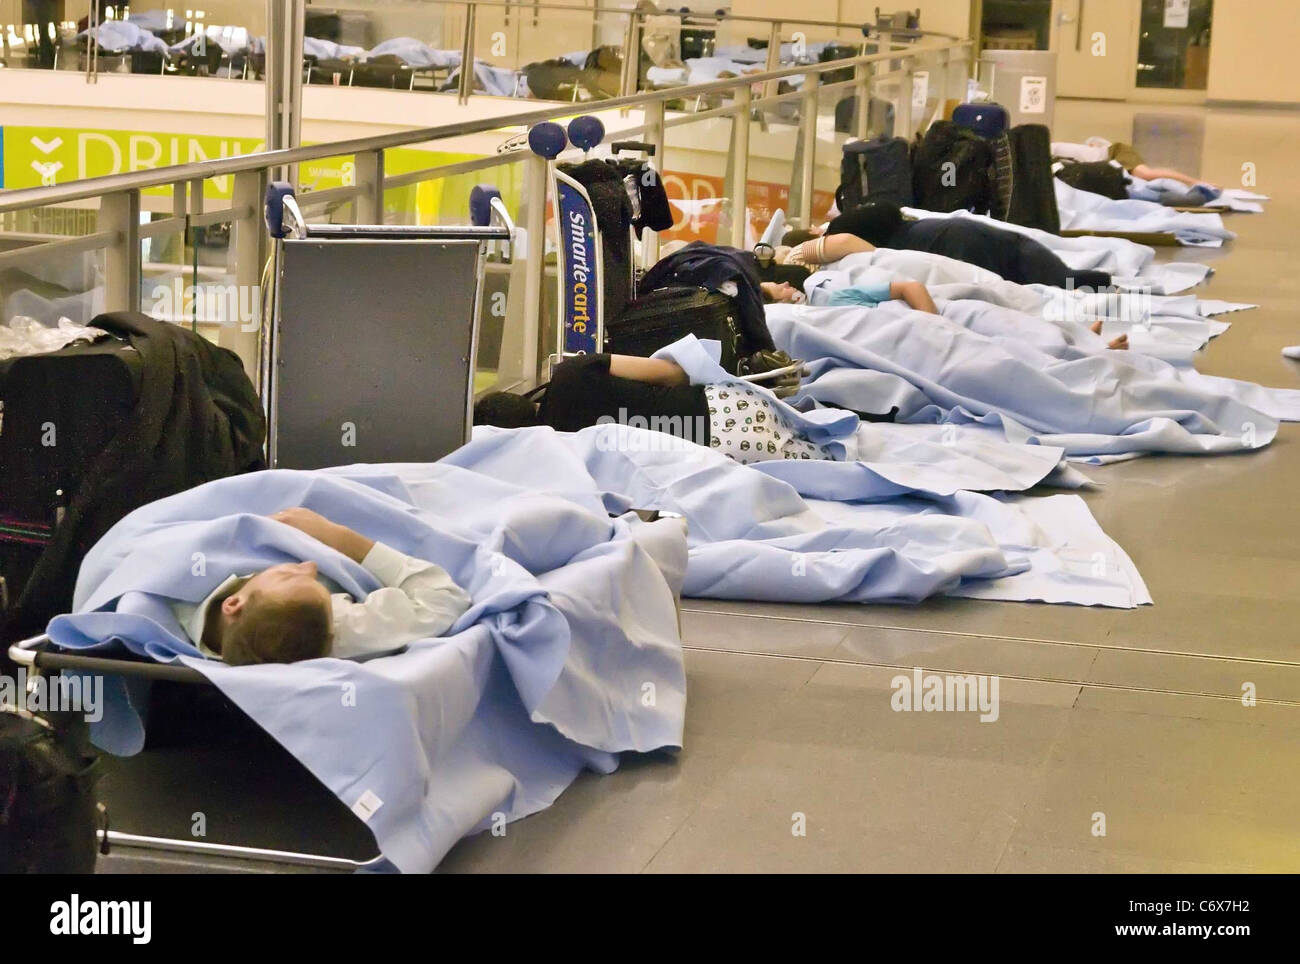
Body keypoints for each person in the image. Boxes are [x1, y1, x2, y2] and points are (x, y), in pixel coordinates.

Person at [171, 507, 472, 666]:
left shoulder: (169, 600)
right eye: (291, 575)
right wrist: (340, 538)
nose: (311, 566)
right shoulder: (333, 631)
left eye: (289, 577)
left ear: (233, 603)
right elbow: (444, 598)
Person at [475, 353, 839, 464]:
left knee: (828, 463)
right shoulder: (573, 372)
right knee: (817, 424)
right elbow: (671, 373)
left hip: (723, 452)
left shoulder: (559, 459)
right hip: (729, 407)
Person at [811, 201, 1113, 291]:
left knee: (1044, 289)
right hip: (956, 236)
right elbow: (889, 210)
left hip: (956, 245)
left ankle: (1121, 297)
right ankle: (1121, 294)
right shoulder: (841, 231)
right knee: (1058, 281)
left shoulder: (842, 239)